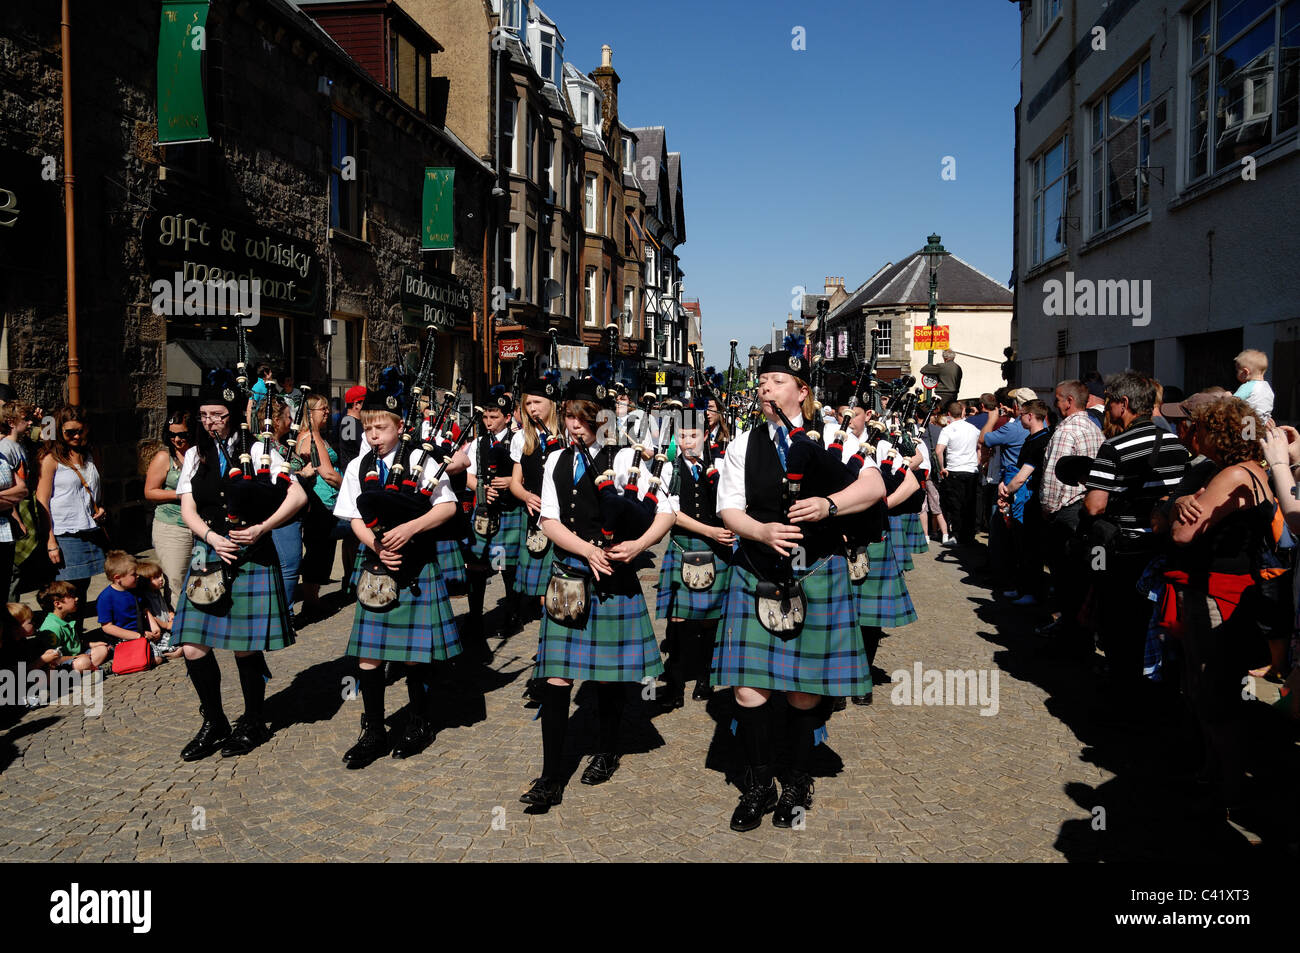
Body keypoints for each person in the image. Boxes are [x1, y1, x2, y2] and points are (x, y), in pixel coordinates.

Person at [713, 344, 885, 832]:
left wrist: (830, 504)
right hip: (757, 570)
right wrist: (760, 531)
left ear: (802, 390)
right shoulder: (743, 444)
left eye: (778, 381)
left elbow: (873, 486)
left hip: (817, 573)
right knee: (749, 690)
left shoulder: (833, 434)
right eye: (762, 381)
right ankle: (758, 784)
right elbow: (728, 509)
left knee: (804, 693)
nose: (766, 387)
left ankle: (795, 779)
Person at [519, 373, 675, 809]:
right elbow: (549, 521)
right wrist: (587, 550)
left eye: (582, 418)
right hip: (570, 576)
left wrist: (639, 545)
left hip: (615, 579)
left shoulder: (628, 457)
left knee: (608, 676)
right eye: (568, 416)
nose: (573, 425)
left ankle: (606, 750)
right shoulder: (555, 462)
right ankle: (551, 776)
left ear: (602, 419)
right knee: (555, 679)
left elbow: (666, 511)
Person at [171, 370, 307, 761]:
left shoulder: (263, 449)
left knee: (244, 648)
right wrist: (211, 538)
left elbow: (297, 497)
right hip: (209, 554)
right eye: (204, 415)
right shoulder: (195, 455)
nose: (210, 422)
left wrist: (263, 527)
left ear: (233, 415)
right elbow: (188, 508)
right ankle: (214, 721)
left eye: (217, 414)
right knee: (194, 646)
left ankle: (253, 720)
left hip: (250, 555)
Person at [332, 382, 464, 767]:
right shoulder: (359, 466)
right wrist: (376, 546)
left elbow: (447, 508)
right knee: (368, 656)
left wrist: (410, 529)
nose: (374, 436)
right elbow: (353, 517)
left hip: (417, 563)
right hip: (376, 566)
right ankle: (373, 729)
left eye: (381, 428)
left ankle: (418, 722)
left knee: (413, 656)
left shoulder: (424, 458)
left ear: (399, 426)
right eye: (368, 428)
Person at [1169, 397, 1287, 811]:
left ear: (1217, 434)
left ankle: (1227, 785)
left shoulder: (1231, 474)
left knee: (1211, 691)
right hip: (1238, 590)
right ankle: (1219, 774)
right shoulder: (1256, 471)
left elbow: (1184, 536)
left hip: (1216, 594)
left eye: (1199, 428)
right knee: (1221, 689)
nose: (1192, 434)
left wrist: (1179, 507)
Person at [1082, 371, 1189, 688]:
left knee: (1121, 622)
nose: (1107, 408)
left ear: (1123, 403)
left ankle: (1123, 687)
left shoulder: (1115, 446)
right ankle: (1154, 684)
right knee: (1154, 621)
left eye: (1110, 402)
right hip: (1164, 547)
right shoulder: (1177, 444)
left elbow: (1094, 506)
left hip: (1127, 550)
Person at [655, 398, 736, 709]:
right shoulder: (668, 468)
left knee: (709, 620)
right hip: (685, 545)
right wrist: (710, 531)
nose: (687, 441)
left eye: (693, 435)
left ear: (705, 435)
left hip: (717, 549)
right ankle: (674, 683)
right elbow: (672, 513)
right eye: (682, 436)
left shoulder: (722, 464)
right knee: (677, 621)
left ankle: (705, 676)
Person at [850, 421, 916, 707]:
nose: (848, 417)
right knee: (840, 614)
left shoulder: (885, 446)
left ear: (866, 414)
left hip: (872, 536)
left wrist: (879, 506)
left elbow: (911, 483)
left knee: (870, 616)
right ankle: (839, 680)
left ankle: (863, 676)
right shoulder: (828, 442)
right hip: (836, 538)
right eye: (844, 411)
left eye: (854, 412)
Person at [1035, 381, 1105, 639]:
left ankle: (1070, 632)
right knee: (1082, 575)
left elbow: (1053, 476)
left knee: (1065, 577)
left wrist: (1048, 508)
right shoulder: (1094, 428)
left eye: (1057, 400)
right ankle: (1080, 629)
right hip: (1088, 506)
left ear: (1069, 401)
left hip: (1067, 509)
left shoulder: (1066, 432)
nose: (1055, 405)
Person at [36, 406, 107, 640]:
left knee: (81, 591)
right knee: (64, 594)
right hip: (64, 532)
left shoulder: (90, 454)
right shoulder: (51, 459)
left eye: (80, 431)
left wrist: (100, 507)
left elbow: (94, 489)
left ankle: (75, 638)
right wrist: (50, 541)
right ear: (59, 431)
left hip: (88, 530)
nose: (76, 436)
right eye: (70, 432)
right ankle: (57, 641)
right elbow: (42, 501)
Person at [464, 385, 525, 654]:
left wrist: (510, 482)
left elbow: (528, 475)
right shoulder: (478, 443)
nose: (489, 423)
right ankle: (475, 616)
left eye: (494, 417)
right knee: (476, 564)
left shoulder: (519, 440)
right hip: (485, 512)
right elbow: (466, 474)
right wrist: (480, 488)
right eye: (486, 417)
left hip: (510, 510)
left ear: (507, 417)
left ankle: (510, 615)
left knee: (506, 566)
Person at [509, 373, 562, 616]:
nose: (532, 409)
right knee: (543, 590)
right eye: (527, 404)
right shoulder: (522, 438)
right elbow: (515, 483)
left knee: (559, 584)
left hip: (564, 518)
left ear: (551, 404)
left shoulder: (566, 435)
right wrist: (526, 496)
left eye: (537, 402)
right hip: (535, 518)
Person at [294, 393, 343, 619]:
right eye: (321, 409)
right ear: (309, 413)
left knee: (321, 549)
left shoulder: (317, 435)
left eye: (326, 408)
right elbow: (328, 474)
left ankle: (313, 601)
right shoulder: (311, 437)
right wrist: (350, 488)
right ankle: (311, 602)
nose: (326, 412)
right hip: (321, 501)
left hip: (327, 501)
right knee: (318, 549)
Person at [998, 399, 1051, 605]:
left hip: (1029, 497)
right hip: (1030, 496)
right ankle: (1023, 587)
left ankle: (1030, 591)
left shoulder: (1037, 441)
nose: (1019, 418)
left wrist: (1006, 490)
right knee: (1023, 545)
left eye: (1021, 414)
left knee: (1028, 546)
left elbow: (1022, 476)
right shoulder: (1042, 437)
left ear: (1030, 416)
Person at [144, 411, 195, 605]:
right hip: (172, 526)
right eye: (172, 434)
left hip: (199, 527)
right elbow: (149, 491)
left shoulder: (200, 453)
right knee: (175, 581)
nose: (177, 439)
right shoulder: (164, 457)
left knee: (199, 579)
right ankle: (175, 627)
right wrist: (180, 494)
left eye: (182, 434)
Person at [258, 394, 304, 608]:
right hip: (280, 513)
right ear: (276, 421)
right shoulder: (265, 448)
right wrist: (304, 474)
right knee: (289, 565)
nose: (291, 421)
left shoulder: (281, 445)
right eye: (288, 416)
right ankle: (285, 613)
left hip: (289, 512)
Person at [36, 582, 108, 673]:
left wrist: (91, 645)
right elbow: (54, 659)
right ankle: (90, 669)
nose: (76, 598)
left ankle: (89, 668)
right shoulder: (52, 628)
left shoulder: (66, 617)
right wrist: (77, 657)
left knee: (102, 649)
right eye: (72, 596)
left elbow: (74, 644)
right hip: (62, 663)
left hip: (77, 656)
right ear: (58, 604)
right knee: (83, 662)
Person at [935, 401, 980, 546]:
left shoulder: (948, 429)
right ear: (962, 413)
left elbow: (938, 450)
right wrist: (978, 461)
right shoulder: (973, 428)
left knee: (955, 505)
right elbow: (980, 446)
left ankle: (956, 535)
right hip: (971, 470)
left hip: (954, 470)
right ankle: (969, 535)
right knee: (970, 504)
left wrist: (942, 467)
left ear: (948, 414)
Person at [336, 385, 366, 594]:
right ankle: (351, 577)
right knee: (353, 534)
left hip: (353, 476)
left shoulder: (350, 421)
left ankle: (351, 576)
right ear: (357, 404)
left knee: (352, 536)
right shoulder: (350, 422)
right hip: (353, 479)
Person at [96, 551, 150, 648]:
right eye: (133, 574)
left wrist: (154, 626)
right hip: (123, 639)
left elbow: (144, 610)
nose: (138, 576)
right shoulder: (106, 597)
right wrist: (137, 636)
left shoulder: (135, 590)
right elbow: (107, 627)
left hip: (143, 633)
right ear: (117, 578)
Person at [136, 560, 181, 661]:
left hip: (167, 627)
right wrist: (166, 625)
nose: (161, 579)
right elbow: (153, 618)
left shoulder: (157, 592)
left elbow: (164, 605)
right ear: (146, 581)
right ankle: (167, 654)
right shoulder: (145, 597)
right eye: (156, 578)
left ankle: (175, 651)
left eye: (160, 576)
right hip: (159, 634)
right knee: (175, 644)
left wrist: (170, 612)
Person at [1233, 349, 1274, 420]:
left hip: (1248, 422)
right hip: (1262, 423)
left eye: (1237, 371)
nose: (1236, 373)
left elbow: (1233, 402)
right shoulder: (1267, 387)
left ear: (1245, 372)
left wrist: (1227, 396)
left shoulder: (1248, 386)